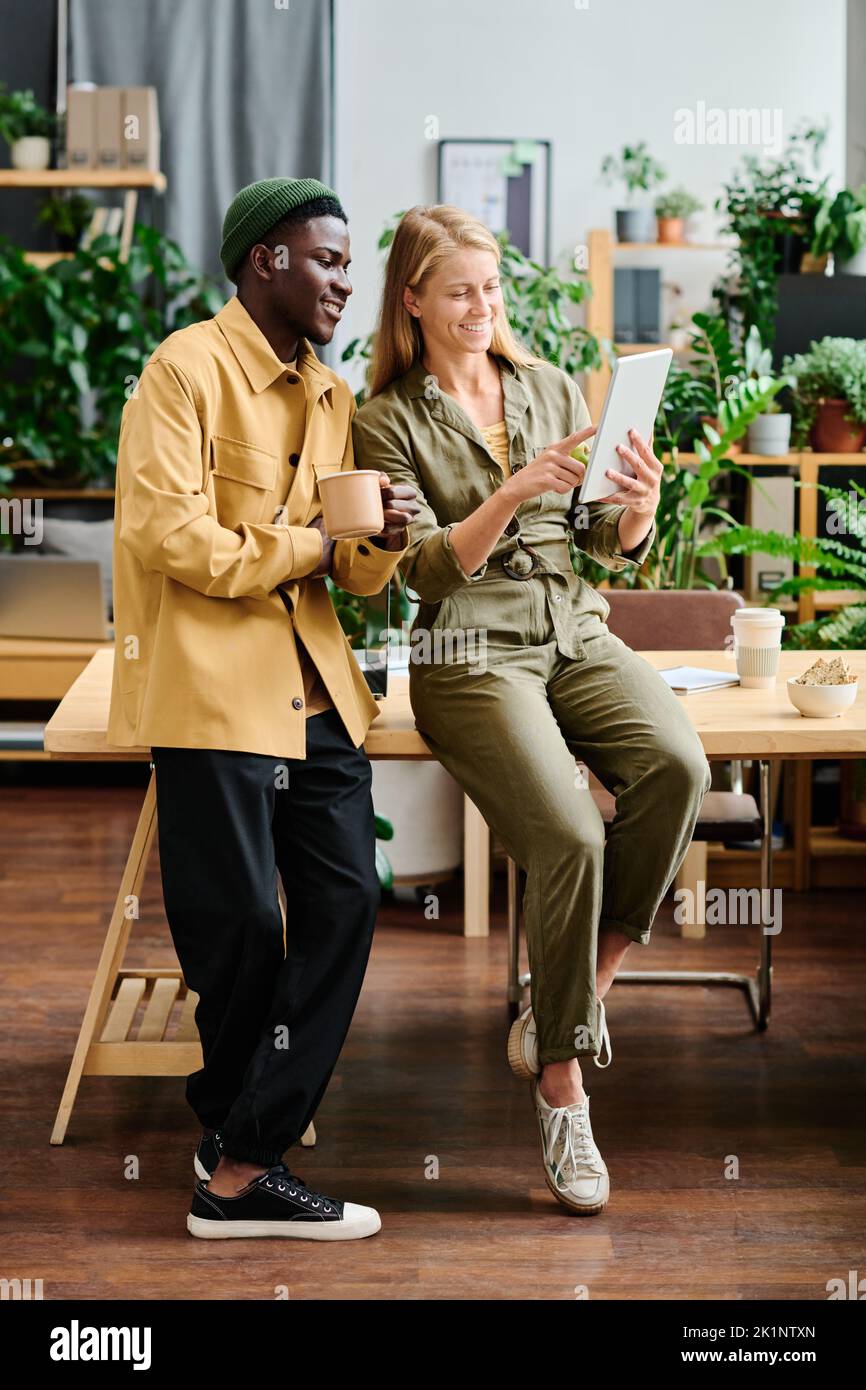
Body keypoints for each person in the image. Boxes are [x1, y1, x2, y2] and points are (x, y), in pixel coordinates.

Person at [352, 205, 712, 1216]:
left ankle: (577, 995)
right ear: (413, 300)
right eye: (459, 290)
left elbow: (599, 539)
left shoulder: (550, 386)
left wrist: (636, 507)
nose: (482, 307)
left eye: (492, 288)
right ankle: (560, 1083)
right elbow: (416, 569)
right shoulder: (382, 416)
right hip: (468, 646)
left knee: (676, 766)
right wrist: (509, 492)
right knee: (564, 836)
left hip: (573, 630)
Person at [107, 177, 419, 1240]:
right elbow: (174, 541)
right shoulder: (182, 371)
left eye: (346, 264)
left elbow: (359, 581)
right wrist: (318, 547)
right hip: (211, 691)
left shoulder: (334, 397)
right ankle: (240, 1160)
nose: (344, 281)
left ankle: (237, 1157)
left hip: (316, 694)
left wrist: (379, 537)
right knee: (236, 926)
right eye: (326, 261)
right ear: (264, 262)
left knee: (343, 905)